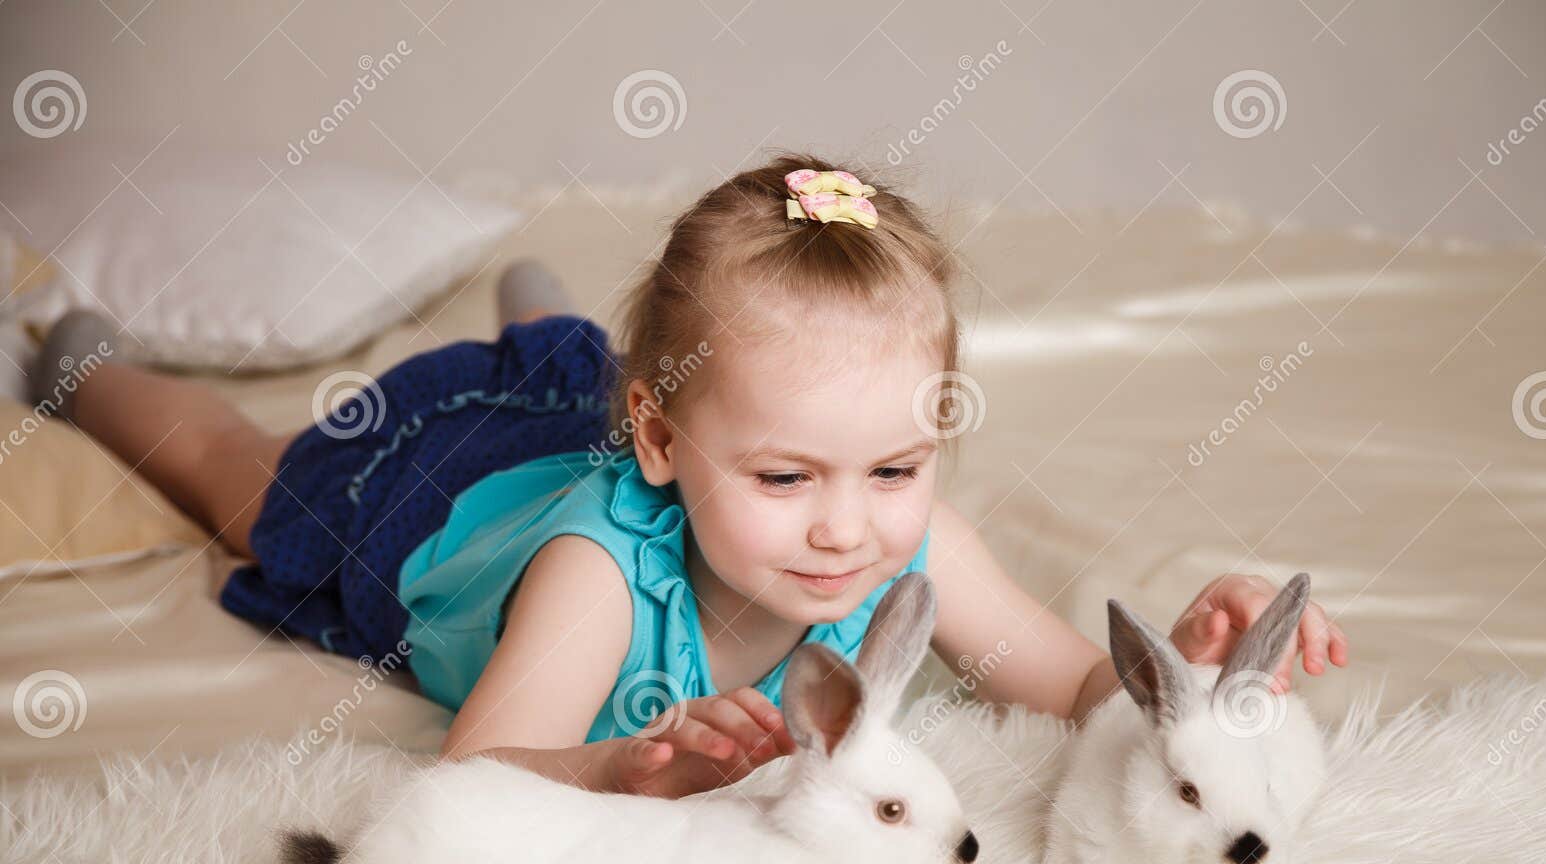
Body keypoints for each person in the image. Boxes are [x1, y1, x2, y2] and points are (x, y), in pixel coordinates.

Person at [26, 154, 1347, 800]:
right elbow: (479, 768)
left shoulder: (908, 535)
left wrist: (1184, 678)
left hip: (631, 408)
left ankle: (549, 323)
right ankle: (78, 365)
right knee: (246, 482)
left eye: (895, 462)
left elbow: (1070, 685)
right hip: (429, 500)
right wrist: (622, 769)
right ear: (660, 444)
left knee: (573, 360)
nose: (847, 527)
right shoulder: (595, 571)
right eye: (787, 476)